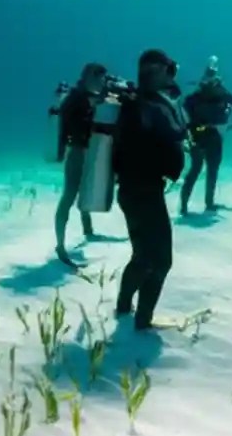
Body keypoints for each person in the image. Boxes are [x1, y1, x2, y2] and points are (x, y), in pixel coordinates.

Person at [113, 49, 186, 331]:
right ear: (155, 71)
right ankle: (143, 320)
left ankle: (124, 307)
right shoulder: (143, 104)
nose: (171, 75)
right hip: (143, 191)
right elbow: (174, 132)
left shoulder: (141, 101)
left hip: (136, 190)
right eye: (168, 69)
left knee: (142, 255)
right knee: (160, 260)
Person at [54, 62, 107, 266]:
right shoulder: (75, 99)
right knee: (69, 195)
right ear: (88, 77)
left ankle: (88, 230)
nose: (101, 83)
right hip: (77, 151)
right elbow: (67, 127)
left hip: (88, 150)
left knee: (85, 192)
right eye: (99, 79)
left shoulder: (86, 98)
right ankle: (60, 245)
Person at [180, 62, 232, 215]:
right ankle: (185, 205)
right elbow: (185, 108)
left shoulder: (220, 93)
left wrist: (220, 89)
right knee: (196, 169)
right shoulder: (196, 96)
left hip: (212, 135)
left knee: (211, 170)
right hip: (199, 135)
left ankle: (208, 202)